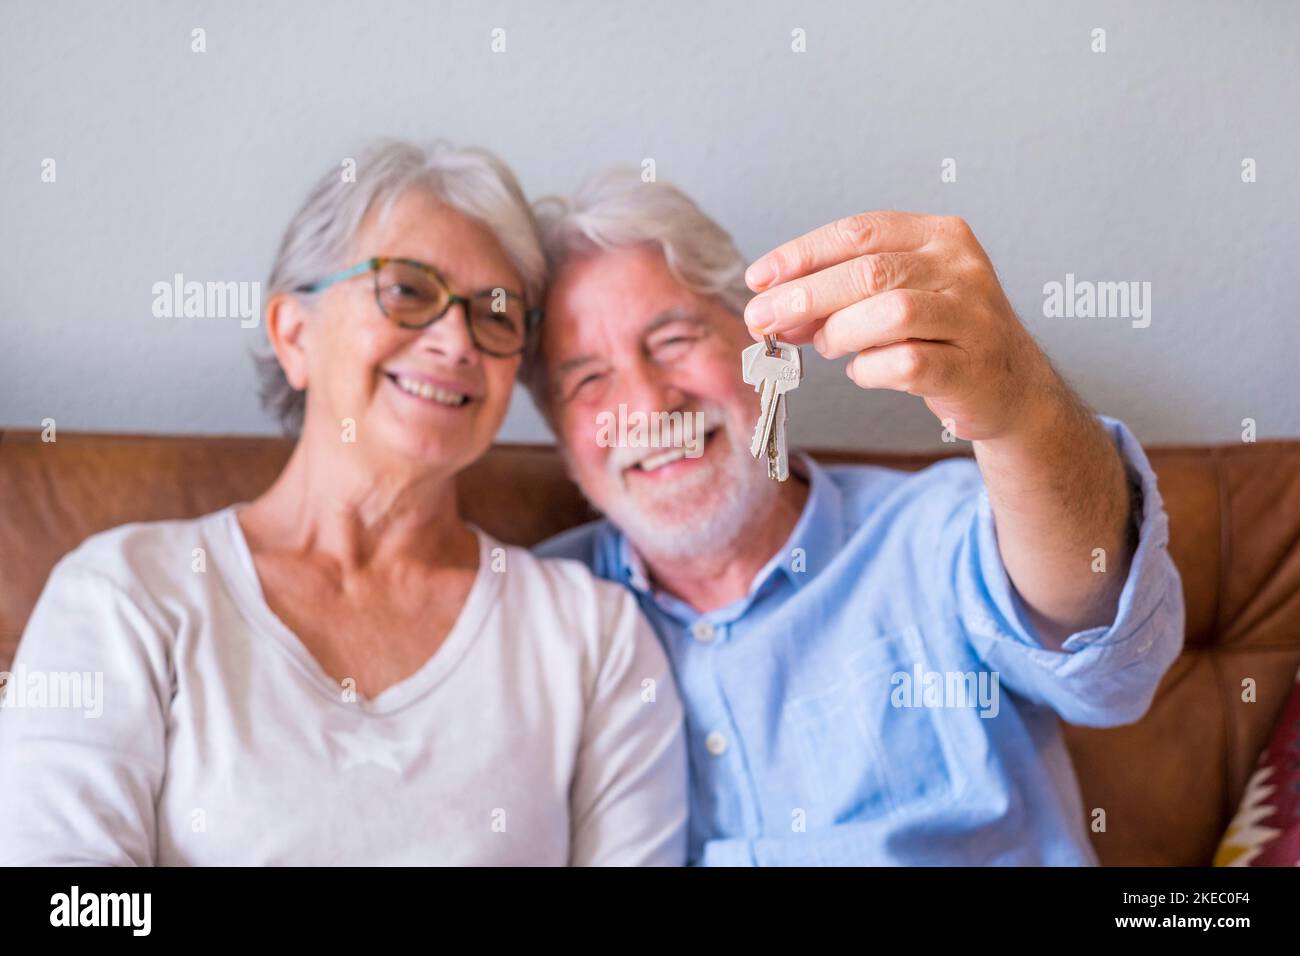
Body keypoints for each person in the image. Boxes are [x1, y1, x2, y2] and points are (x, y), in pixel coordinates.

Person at [0, 142, 686, 866]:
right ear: (294, 334)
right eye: (408, 291)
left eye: (495, 313)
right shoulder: (125, 595)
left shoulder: (593, 636)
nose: (456, 341)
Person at [529, 171, 1185, 865]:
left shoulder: (931, 537)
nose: (649, 404)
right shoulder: (538, 615)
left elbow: (1113, 668)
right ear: (558, 435)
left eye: (672, 340)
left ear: (764, 350)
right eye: (588, 380)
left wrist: (1021, 407)